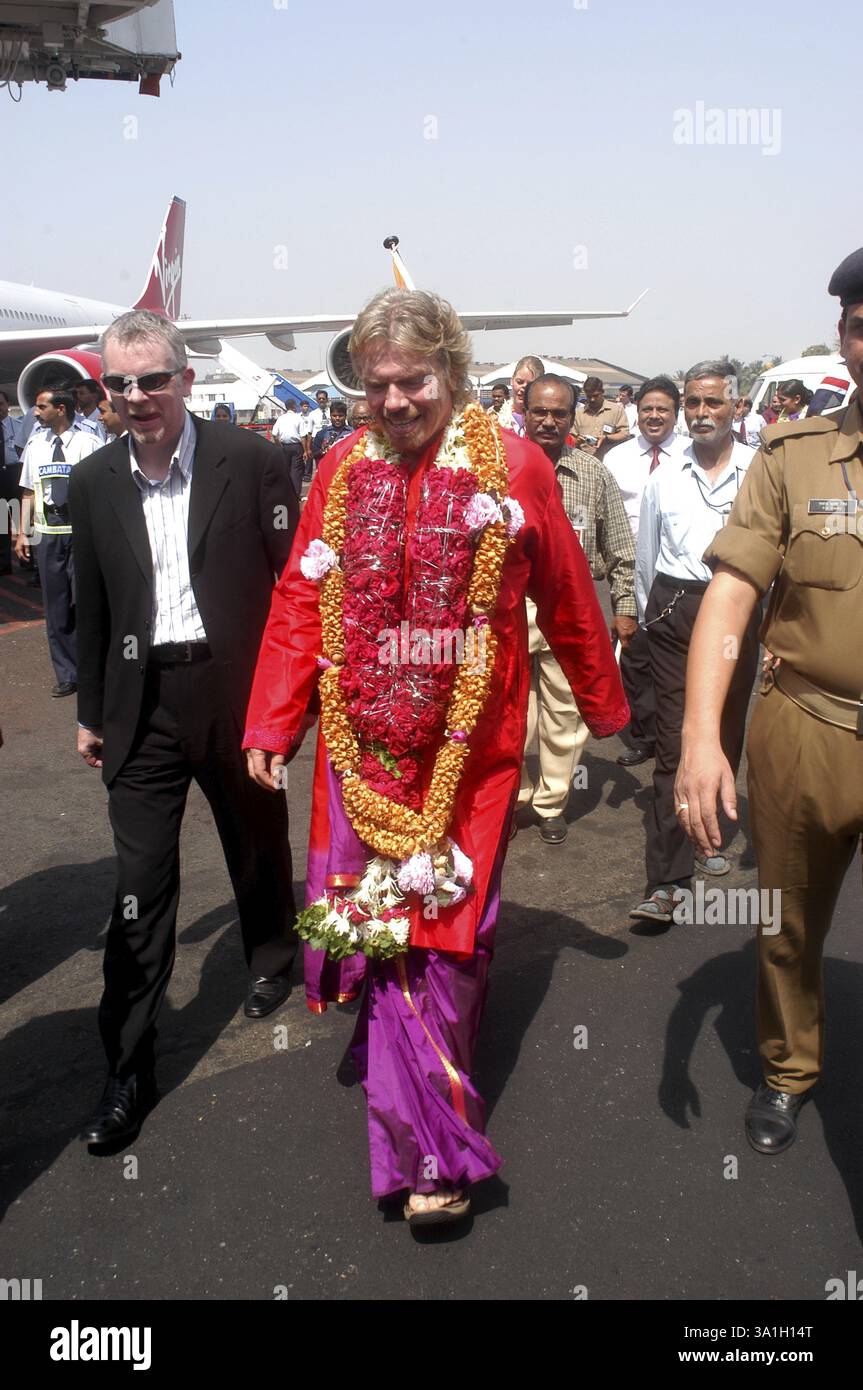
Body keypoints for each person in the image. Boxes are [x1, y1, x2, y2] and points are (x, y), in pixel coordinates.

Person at [243, 288, 628, 1225]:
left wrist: (606, 704)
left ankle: (432, 1154)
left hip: (472, 755)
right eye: (374, 386)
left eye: (412, 381)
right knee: (373, 924)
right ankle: (404, 1085)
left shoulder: (518, 468)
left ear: (452, 372)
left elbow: (569, 592)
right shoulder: (337, 467)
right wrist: (270, 721)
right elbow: (301, 598)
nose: (394, 402)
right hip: (357, 743)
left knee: (446, 937)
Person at [68, 309, 300, 1148]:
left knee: (256, 840)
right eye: (119, 383)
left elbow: (293, 595)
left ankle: (273, 955)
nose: (137, 396)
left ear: (185, 380)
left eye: (152, 379)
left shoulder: (255, 462)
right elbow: (89, 608)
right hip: (141, 705)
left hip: (234, 695)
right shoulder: (92, 482)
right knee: (140, 891)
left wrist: (285, 706)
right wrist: (91, 711)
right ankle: (127, 1071)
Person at [674, 248, 863, 1155]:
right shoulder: (792, 456)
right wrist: (699, 739)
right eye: (862, 325)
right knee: (783, 920)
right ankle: (787, 1071)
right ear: (842, 338)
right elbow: (733, 592)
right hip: (806, 726)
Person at [630, 360, 760, 923]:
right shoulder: (665, 476)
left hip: (740, 614)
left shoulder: (762, 472)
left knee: (725, 731)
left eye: (712, 403)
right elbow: (645, 556)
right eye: (693, 404)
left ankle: (710, 833)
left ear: (736, 406)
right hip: (674, 610)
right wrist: (643, 618)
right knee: (676, 742)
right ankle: (667, 880)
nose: (701, 414)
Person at [518, 373, 637, 843]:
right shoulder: (496, 470)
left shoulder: (592, 473)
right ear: (524, 413)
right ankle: (509, 796)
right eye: (539, 412)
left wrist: (624, 606)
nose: (548, 422)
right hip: (510, 607)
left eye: (558, 413)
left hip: (572, 609)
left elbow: (621, 546)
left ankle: (551, 803)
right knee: (508, 713)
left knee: (565, 712)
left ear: (573, 417)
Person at [606, 376, 685, 766]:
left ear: (675, 414)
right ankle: (644, 734)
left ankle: (679, 732)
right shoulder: (616, 458)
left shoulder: (692, 454)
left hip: (677, 573)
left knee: (676, 656)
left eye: (663, 410)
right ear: (637, 413)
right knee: (635, 655)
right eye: (648, 409)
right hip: (629, 570)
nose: (655, 416)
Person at [16, 386, 102, 695]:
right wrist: (21, 532)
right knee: (56, 609)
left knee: (86, 604)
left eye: (41, 406)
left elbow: (101, 492)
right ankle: (67, 673)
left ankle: (92, 668)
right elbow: (27, 492)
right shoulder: (36, 444)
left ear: (61, 409)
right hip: (48, 539)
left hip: (82, 537)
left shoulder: (89, 443)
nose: (35, 412)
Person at [575, 376, 630, 461]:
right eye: (589, 396)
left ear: (602, 392)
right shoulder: (578, 414)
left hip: (609, 460)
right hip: (584, 462)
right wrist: (578, 441)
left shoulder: (616, 410)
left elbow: (624, 434)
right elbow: (571, 438)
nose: (592, 399)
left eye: (595, 395)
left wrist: (606, 438)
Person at [0, 391, 24, 575]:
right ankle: (4, 562)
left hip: (15, 475)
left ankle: (28, 561)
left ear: (8, 405)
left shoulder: (19, 426)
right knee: (2, 521)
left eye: (1, 404)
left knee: (22, 519)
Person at [496, 355, 544, 436]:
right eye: (519, 382)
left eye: (530, 384)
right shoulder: (496, 421)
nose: (523, 388)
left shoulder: (545, 423)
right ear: (511, 380)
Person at [271, 399, 304, 497]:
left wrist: (279, 446)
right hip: (296, 446)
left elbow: (274, 434)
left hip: (284, 446)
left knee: (285, 470)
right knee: (296, 471)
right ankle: (296, 493)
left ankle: (285, 493)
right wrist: (306, 450)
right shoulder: (298, 418)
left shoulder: (281, 418)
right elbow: (303, 436)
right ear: (294, 406)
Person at [297, 399, 316, 480]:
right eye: (304, 406)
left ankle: (307, 475)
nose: (306, 408)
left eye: (307, 406)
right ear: (301, 407)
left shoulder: (311, 416)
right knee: (300, 457)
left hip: (309, 439)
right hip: (300, 439)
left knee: (309, 457)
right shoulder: (297, 416)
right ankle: (301, 473)